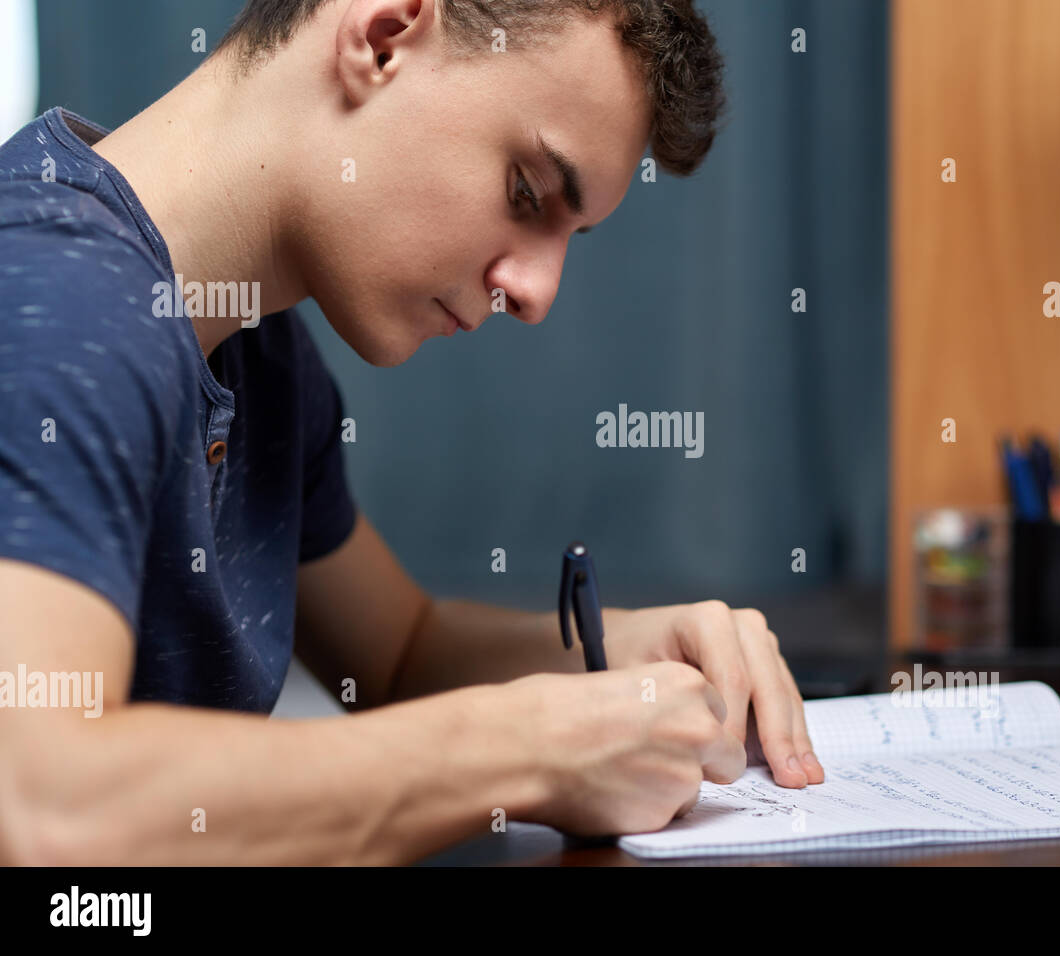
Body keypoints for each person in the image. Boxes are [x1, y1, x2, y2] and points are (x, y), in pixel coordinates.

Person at [0, 0, 824, 865]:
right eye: (525, 192)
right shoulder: (56, 299)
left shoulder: (256, 351)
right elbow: (45, 808)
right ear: (384, 39)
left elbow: (399, 654)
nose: (539, 292)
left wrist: (624, 651)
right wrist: (530, 749)